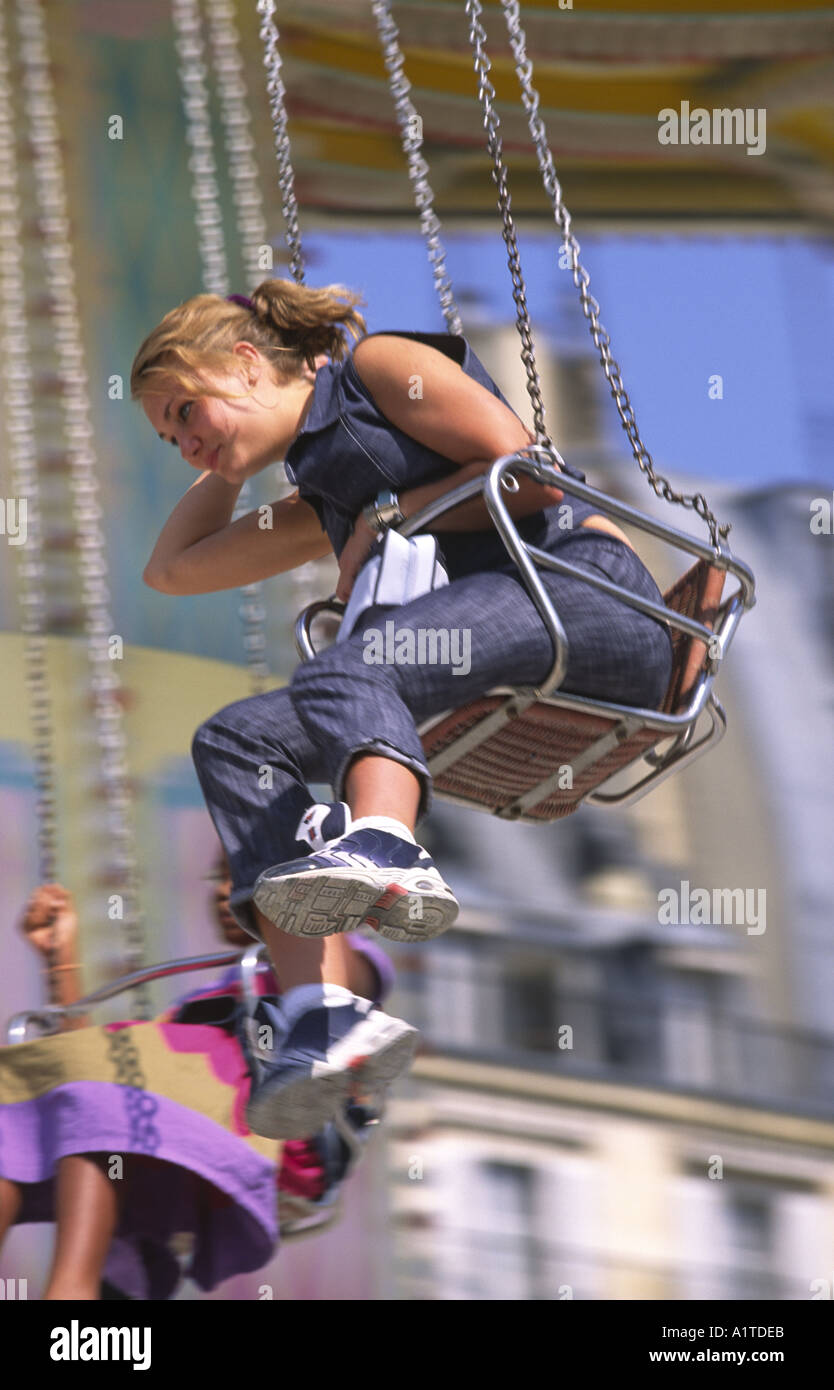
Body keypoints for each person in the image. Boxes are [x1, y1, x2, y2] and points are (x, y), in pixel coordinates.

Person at [130, 279, 674, 1142]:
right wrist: (226, 459)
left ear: (243, 362)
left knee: (344, 670)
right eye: (170, 435)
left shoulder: (378, 370)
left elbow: (527, 472)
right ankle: (322, 1011)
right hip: (488, 644)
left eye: (187, 411)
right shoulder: (318, 496)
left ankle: (385, 850)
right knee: (236, 741)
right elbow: (174, 570)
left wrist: (386, 518)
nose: (186, 442)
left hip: (586, 605)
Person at [0, 850, 394, 1299]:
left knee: (107, 1093)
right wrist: (59, 958)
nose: (225, 891)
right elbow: (80, 1073)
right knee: (15, 1098)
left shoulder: (342, 960)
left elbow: (338, 984)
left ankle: (72, 1292)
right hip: (177, 1126)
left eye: (243, 874)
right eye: (218, 878)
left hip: (275, 1126)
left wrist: (309, 887)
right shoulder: (200, 1003)